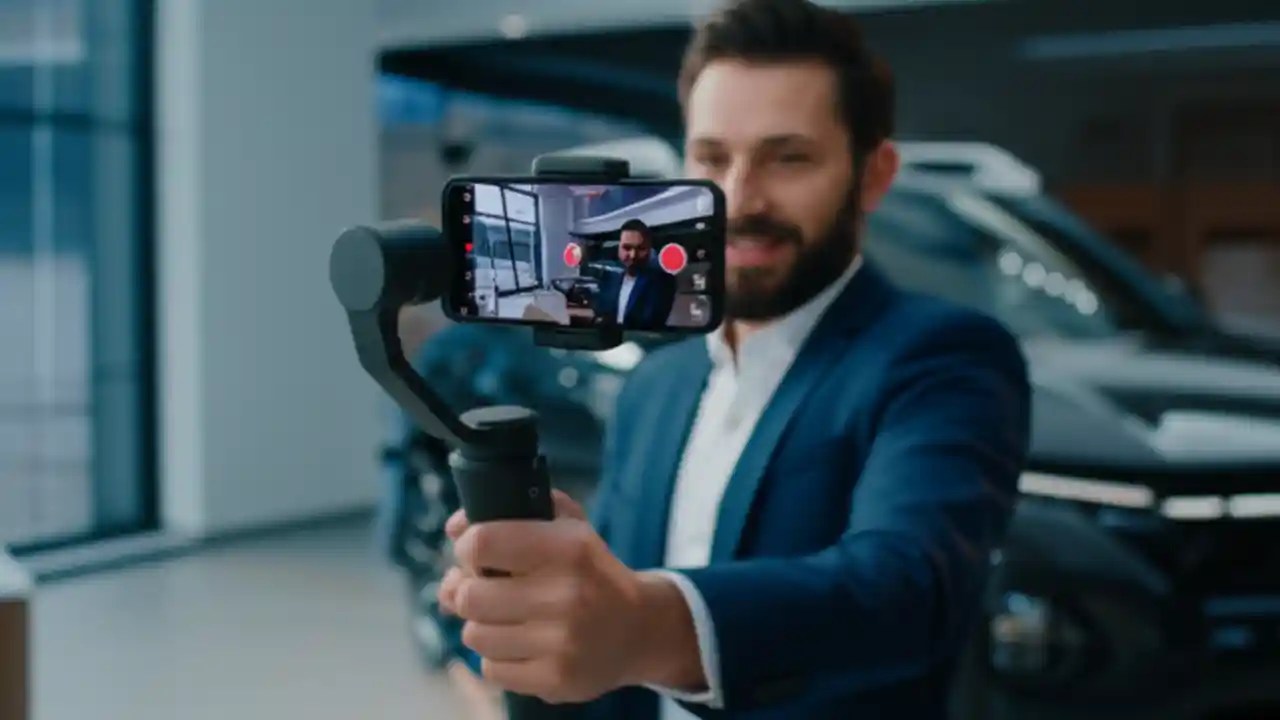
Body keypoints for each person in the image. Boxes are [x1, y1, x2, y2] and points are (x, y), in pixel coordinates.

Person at [437, 0, 1032, 717]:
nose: (740, 199)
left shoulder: (938, 358)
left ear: (873, 175)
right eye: (712, 158)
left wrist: (641, 625)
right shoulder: (656, 386)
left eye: (789, 158)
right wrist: (524, 649)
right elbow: (607, 662)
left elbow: (905, 588)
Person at [594, 219, 678, 330]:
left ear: (649, 250)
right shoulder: (610, 278)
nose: (633, 255)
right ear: (618, 247)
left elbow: (650, 321)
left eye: (640, 249)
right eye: (627, 248)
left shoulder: (662, 282)